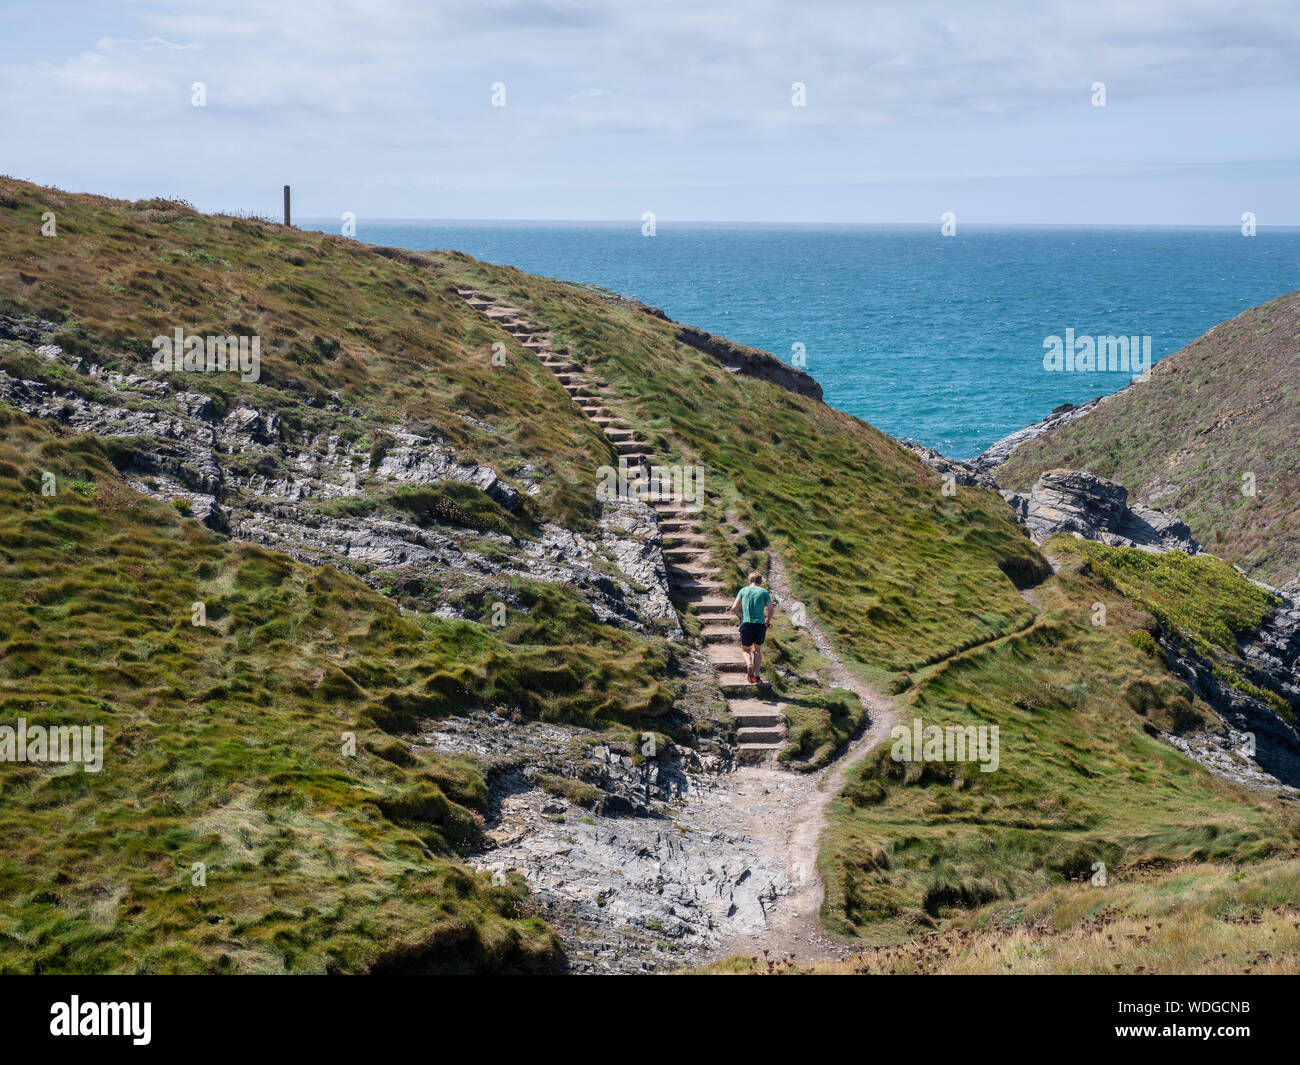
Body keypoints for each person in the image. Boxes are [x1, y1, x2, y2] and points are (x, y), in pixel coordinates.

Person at [731, 572, 774, 685]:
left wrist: (741, 617)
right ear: (760, 582)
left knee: (746, 650)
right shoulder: (764, 592)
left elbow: (734, 608)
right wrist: (767, 621)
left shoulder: (743, 591)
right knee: (757, 651)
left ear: (749, 581)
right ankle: (757, 676)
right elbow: (770, 609)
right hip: (760, 625)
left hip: (746, 624)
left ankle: (749, 665)